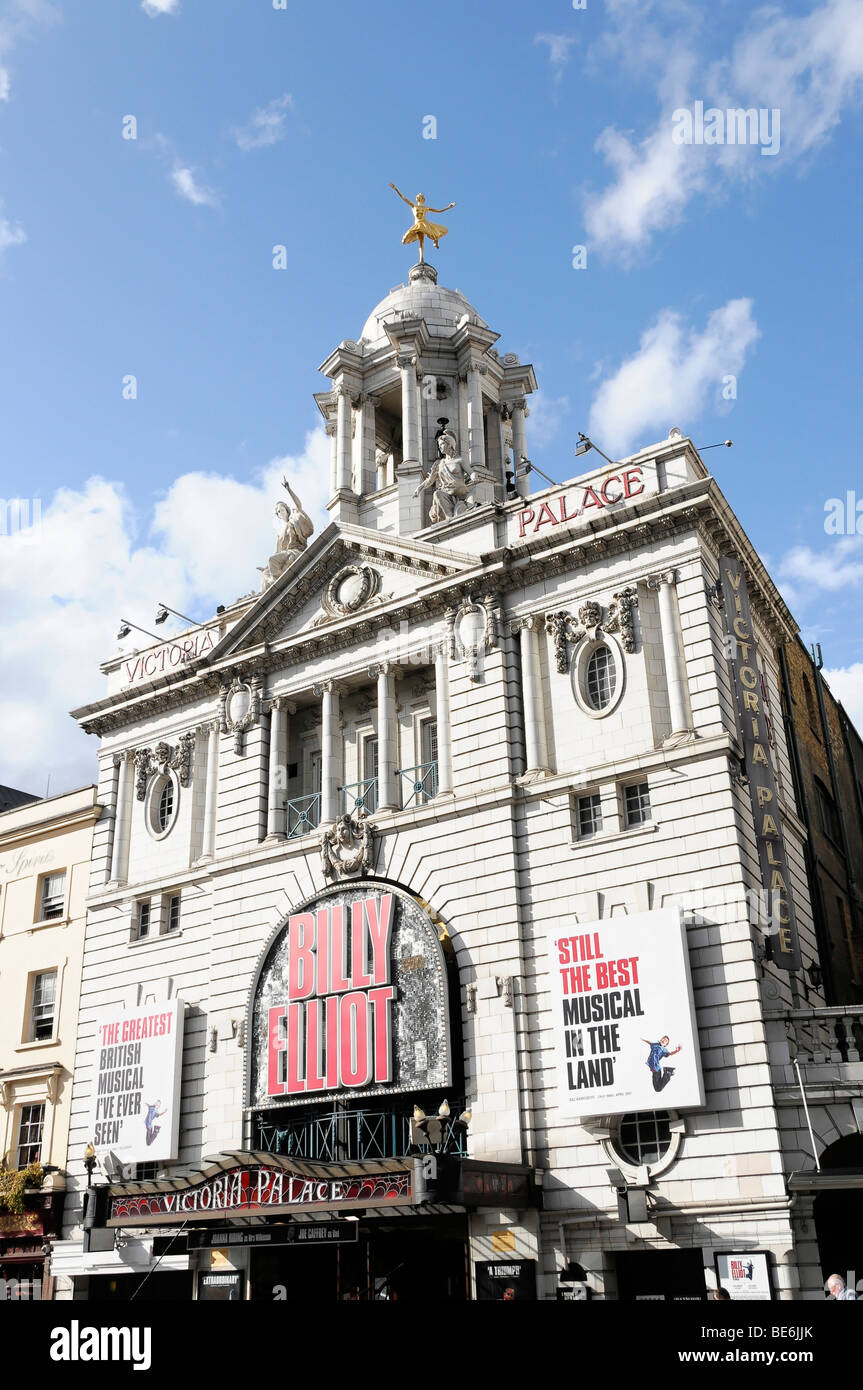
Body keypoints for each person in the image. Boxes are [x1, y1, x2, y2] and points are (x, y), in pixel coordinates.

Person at [390, 184, 455, 263]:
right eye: (420, 197)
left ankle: (433, 245)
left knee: (433, 232)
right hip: (418, 225)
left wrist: (448, 207)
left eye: (422, 197)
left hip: (424, 224)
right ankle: (422, 257)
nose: (421, 198)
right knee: (412, 241)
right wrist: (396, 189)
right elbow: (404, 198)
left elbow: (438, 211)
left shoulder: (425, 208)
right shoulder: (413, 206)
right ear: (417, 199)